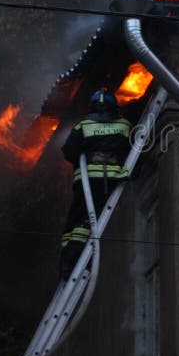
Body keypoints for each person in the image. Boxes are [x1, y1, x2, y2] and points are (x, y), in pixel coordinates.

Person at [59, 89, 132, 280]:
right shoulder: (125, 125)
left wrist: (86, 155)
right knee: (95, 221)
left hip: (87, 182)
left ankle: (68, 263)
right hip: (112, 182)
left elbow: (69, 151)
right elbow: (133, 150)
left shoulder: (84, 125)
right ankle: (87, 258)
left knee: (77, 222)